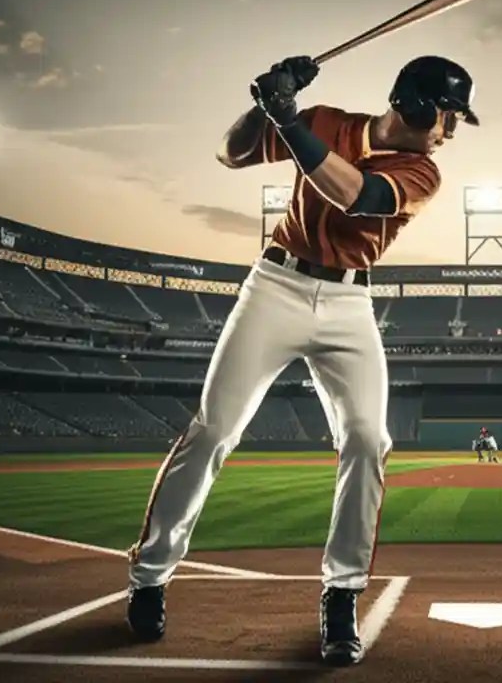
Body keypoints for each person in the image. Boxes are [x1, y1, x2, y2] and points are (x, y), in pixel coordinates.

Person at [124, 54, 480, 667]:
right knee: (213, 429)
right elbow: (231, 153)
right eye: (448, 116)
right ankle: (150, 575)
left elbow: (357, 197)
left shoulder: (422, 172)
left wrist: (288, 120)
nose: (450, 132)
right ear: (418, 106)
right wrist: (264, 102)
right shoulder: (323, 121)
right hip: (275, 287)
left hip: (349, 302)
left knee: (367, 438)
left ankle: (341, 595)